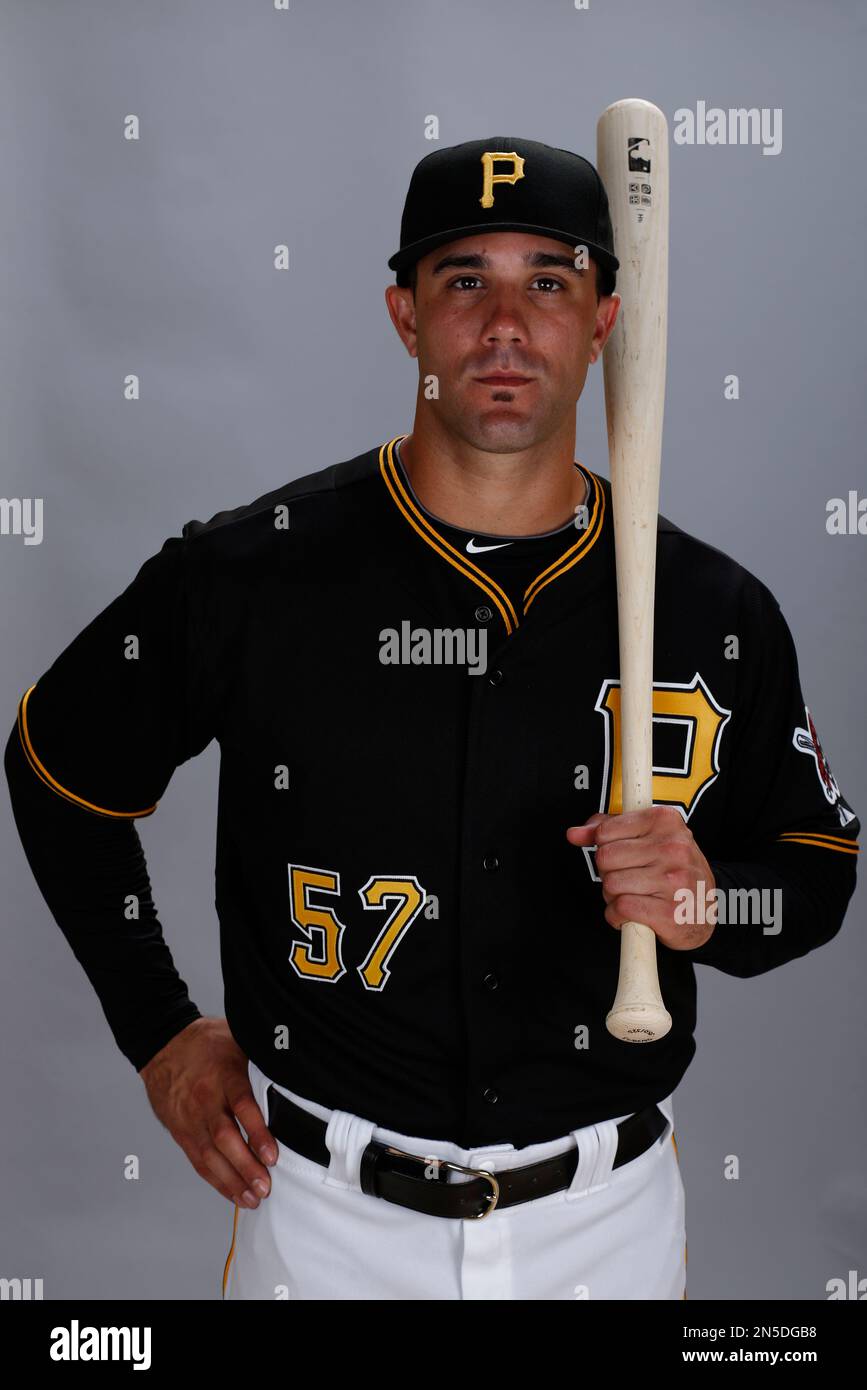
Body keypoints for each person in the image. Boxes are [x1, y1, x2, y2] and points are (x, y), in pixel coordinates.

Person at [5, 136, 859, 1301]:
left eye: (549, 282)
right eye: (465, 280)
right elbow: (57, 771)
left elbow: (815, 867)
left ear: (605, 318)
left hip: (604, 1222)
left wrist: (713, 903)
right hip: (321, 1215)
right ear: (406, 315)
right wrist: (159, 1028)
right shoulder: (255, 576)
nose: (506, 322)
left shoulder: (714, 608)